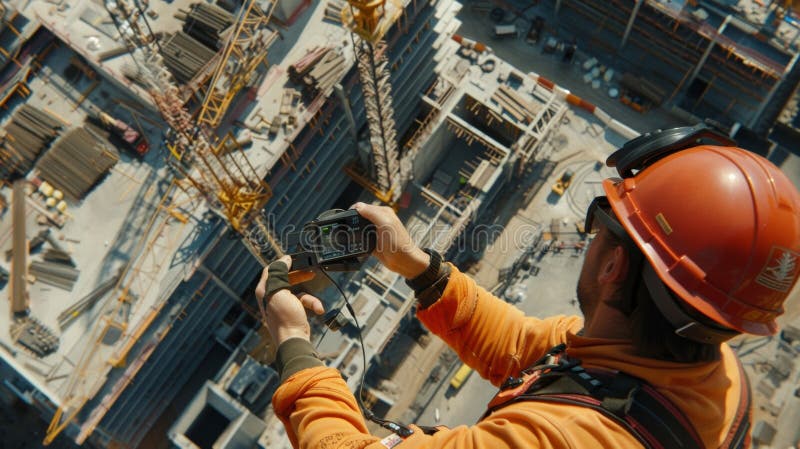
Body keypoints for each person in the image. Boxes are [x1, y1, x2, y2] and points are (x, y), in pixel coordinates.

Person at [256, 141, 800, 449]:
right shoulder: (703, 373)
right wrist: (418, 267)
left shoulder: (559, 441)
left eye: (599, 226)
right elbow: (529, 351)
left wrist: (293, 344)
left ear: (614, 264)